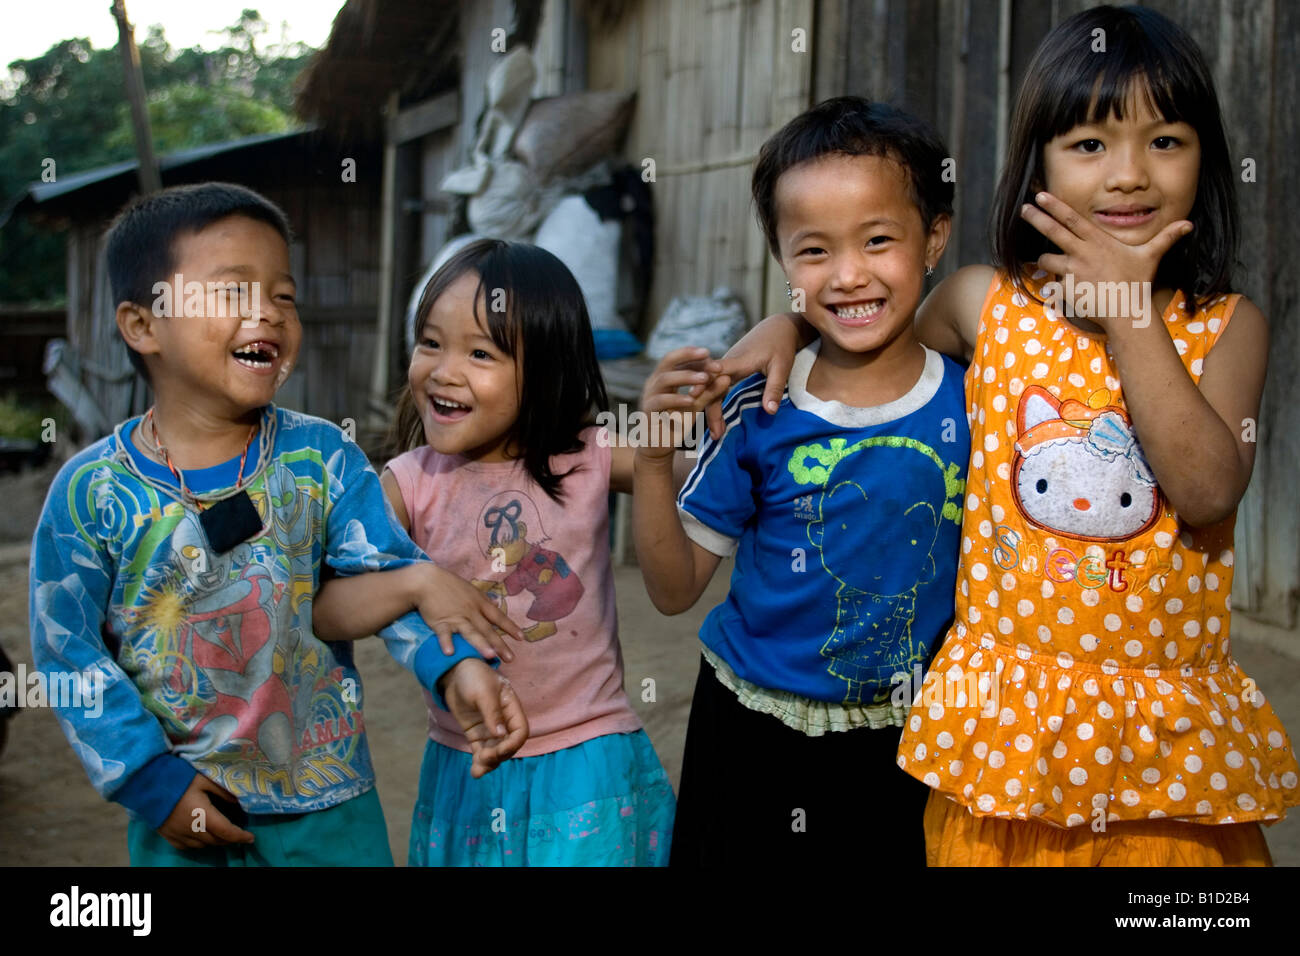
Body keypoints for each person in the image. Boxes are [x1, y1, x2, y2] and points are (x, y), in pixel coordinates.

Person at [709, 5, 1299, 866]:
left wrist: (1130, 314)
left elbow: (1208, 488)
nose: (1129, 174)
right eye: (1090, 144)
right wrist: (787, 327)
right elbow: (872, 321)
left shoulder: (1225, 325)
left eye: (1165, 140)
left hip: (1155, 754)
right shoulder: (990, 304)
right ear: (1039, 164)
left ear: (1205, 156)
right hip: (1002, 737)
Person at [28, 182, 527, 867]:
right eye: (233, 292)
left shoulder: (321, 460)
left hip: (331, 807)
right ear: (143, 325)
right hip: (189, 810)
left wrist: (458, 667)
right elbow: (68, 653)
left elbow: (388, 577)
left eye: (284, 296)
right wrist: (150, 781)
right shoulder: (91, 494)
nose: (267, 312)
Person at [634, 98, 969, 865]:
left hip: (909, 740)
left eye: (878, 239)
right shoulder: (760, 408)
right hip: (750, 734)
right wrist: (654, 459)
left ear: (933, 239)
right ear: (782, 261)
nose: (849, 275)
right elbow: (675, 588)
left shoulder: (975, 398)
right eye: (813, 251)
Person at [312, 239, 684, 866]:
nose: (444, 370)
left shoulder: (586, 458)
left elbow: (706, 473)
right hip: (469, 761)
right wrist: (416, 584)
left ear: (545, 370)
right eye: (430, 343)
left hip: (586, 757)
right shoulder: (407, 484)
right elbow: (327, 609)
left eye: (480, 352)